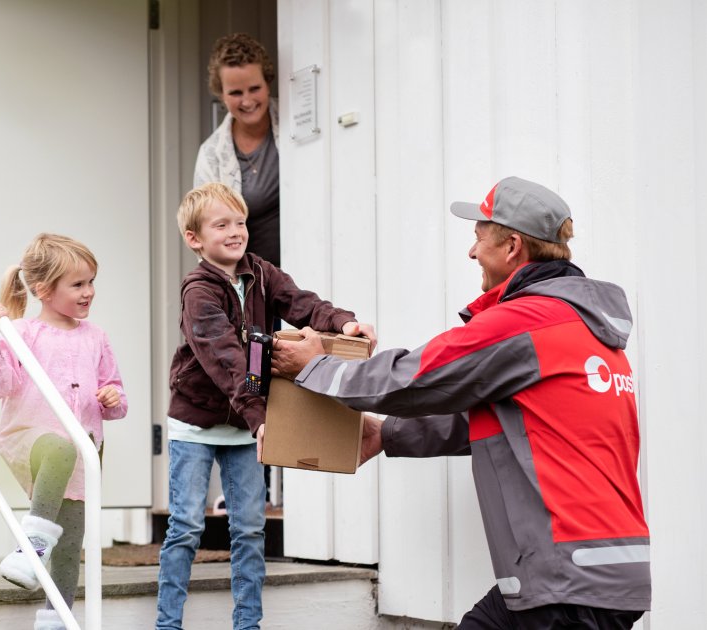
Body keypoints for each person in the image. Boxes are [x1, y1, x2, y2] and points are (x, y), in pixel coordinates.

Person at [272, 177, 651, 629]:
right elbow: (505, 419)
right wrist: (386, 433)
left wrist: (316, 366)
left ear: (512, 246)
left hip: (568, 580)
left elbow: (416, 378)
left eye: (478, 237)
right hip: (575, 571)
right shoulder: (583, 329)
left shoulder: (528, 321)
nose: (472, 253)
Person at [156, 182, 375, 630]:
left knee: (250, 530)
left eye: (240, 222)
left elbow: (303, 304)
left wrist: (344, 322)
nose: (236, 232)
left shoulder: (260, 271)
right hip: (197, 425)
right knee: (185, 529)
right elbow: (226, 359)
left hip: (247, 424)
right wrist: (262, 419)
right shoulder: (197, 290)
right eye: (222, 225)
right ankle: (167, 625)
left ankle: (248, 625)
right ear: (195, 238)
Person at [0, 233, 127, 630]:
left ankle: (56, 621)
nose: (88, 292)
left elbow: (118, 400)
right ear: (43, 289)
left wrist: (113, 397)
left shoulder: (96, 337)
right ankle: (31, 548)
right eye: (78, 284)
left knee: (70, 547)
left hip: (84, 450)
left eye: (92, 282)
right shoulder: (24, 332)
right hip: (30, 439)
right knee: (60, 448)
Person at [195, 33, 281, 268]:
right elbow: (204, 233)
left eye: (254, 88)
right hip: (254, 285)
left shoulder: (298, 127)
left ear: (268, 82)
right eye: (235, 93)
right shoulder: (212, 156)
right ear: (221, 94)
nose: (247, 101)